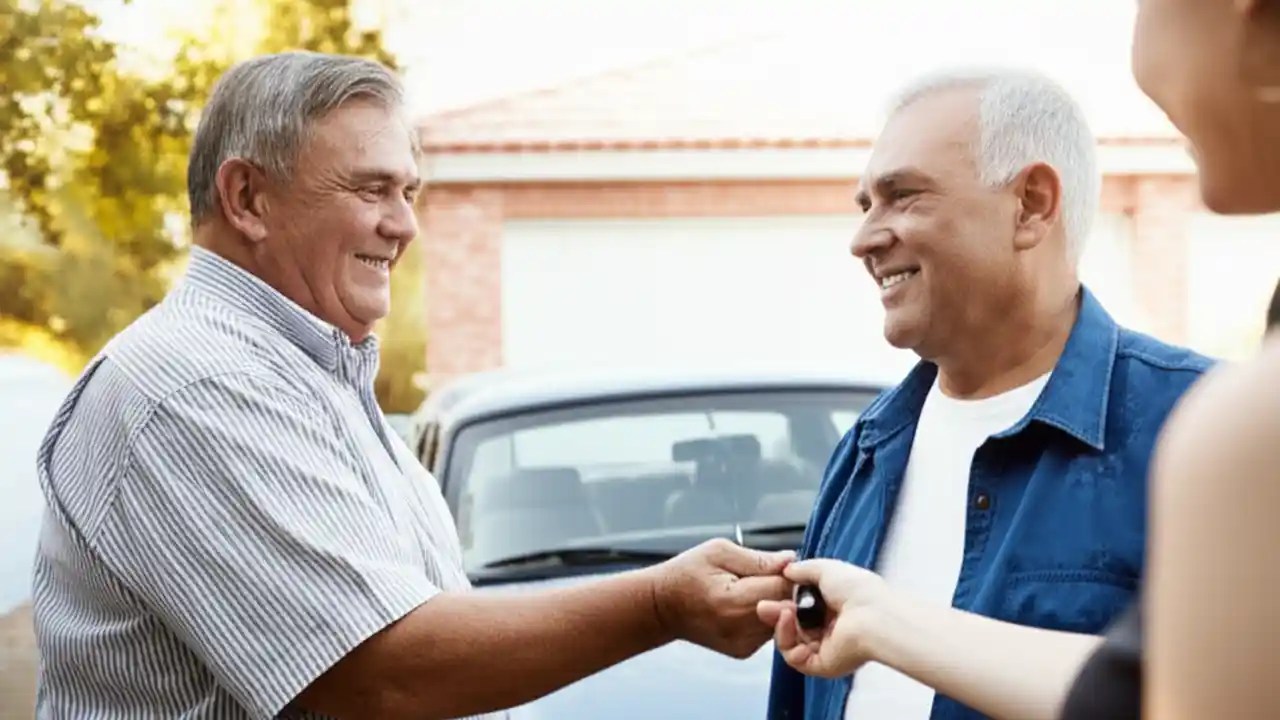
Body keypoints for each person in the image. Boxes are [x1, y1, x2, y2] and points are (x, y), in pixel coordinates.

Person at [29, 51, 794, 720]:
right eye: (371, 190)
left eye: (409, 192)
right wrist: (659, 604)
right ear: (248, 199)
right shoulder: (195, 386)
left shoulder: (305, 372)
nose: (405, 225)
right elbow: (381, 675)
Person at [762, 67, 1214, 720]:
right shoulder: (866, 449)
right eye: (866, 206)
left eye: (904, 197)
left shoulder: (1198, 432)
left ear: (1031, 204)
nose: (863, 239)